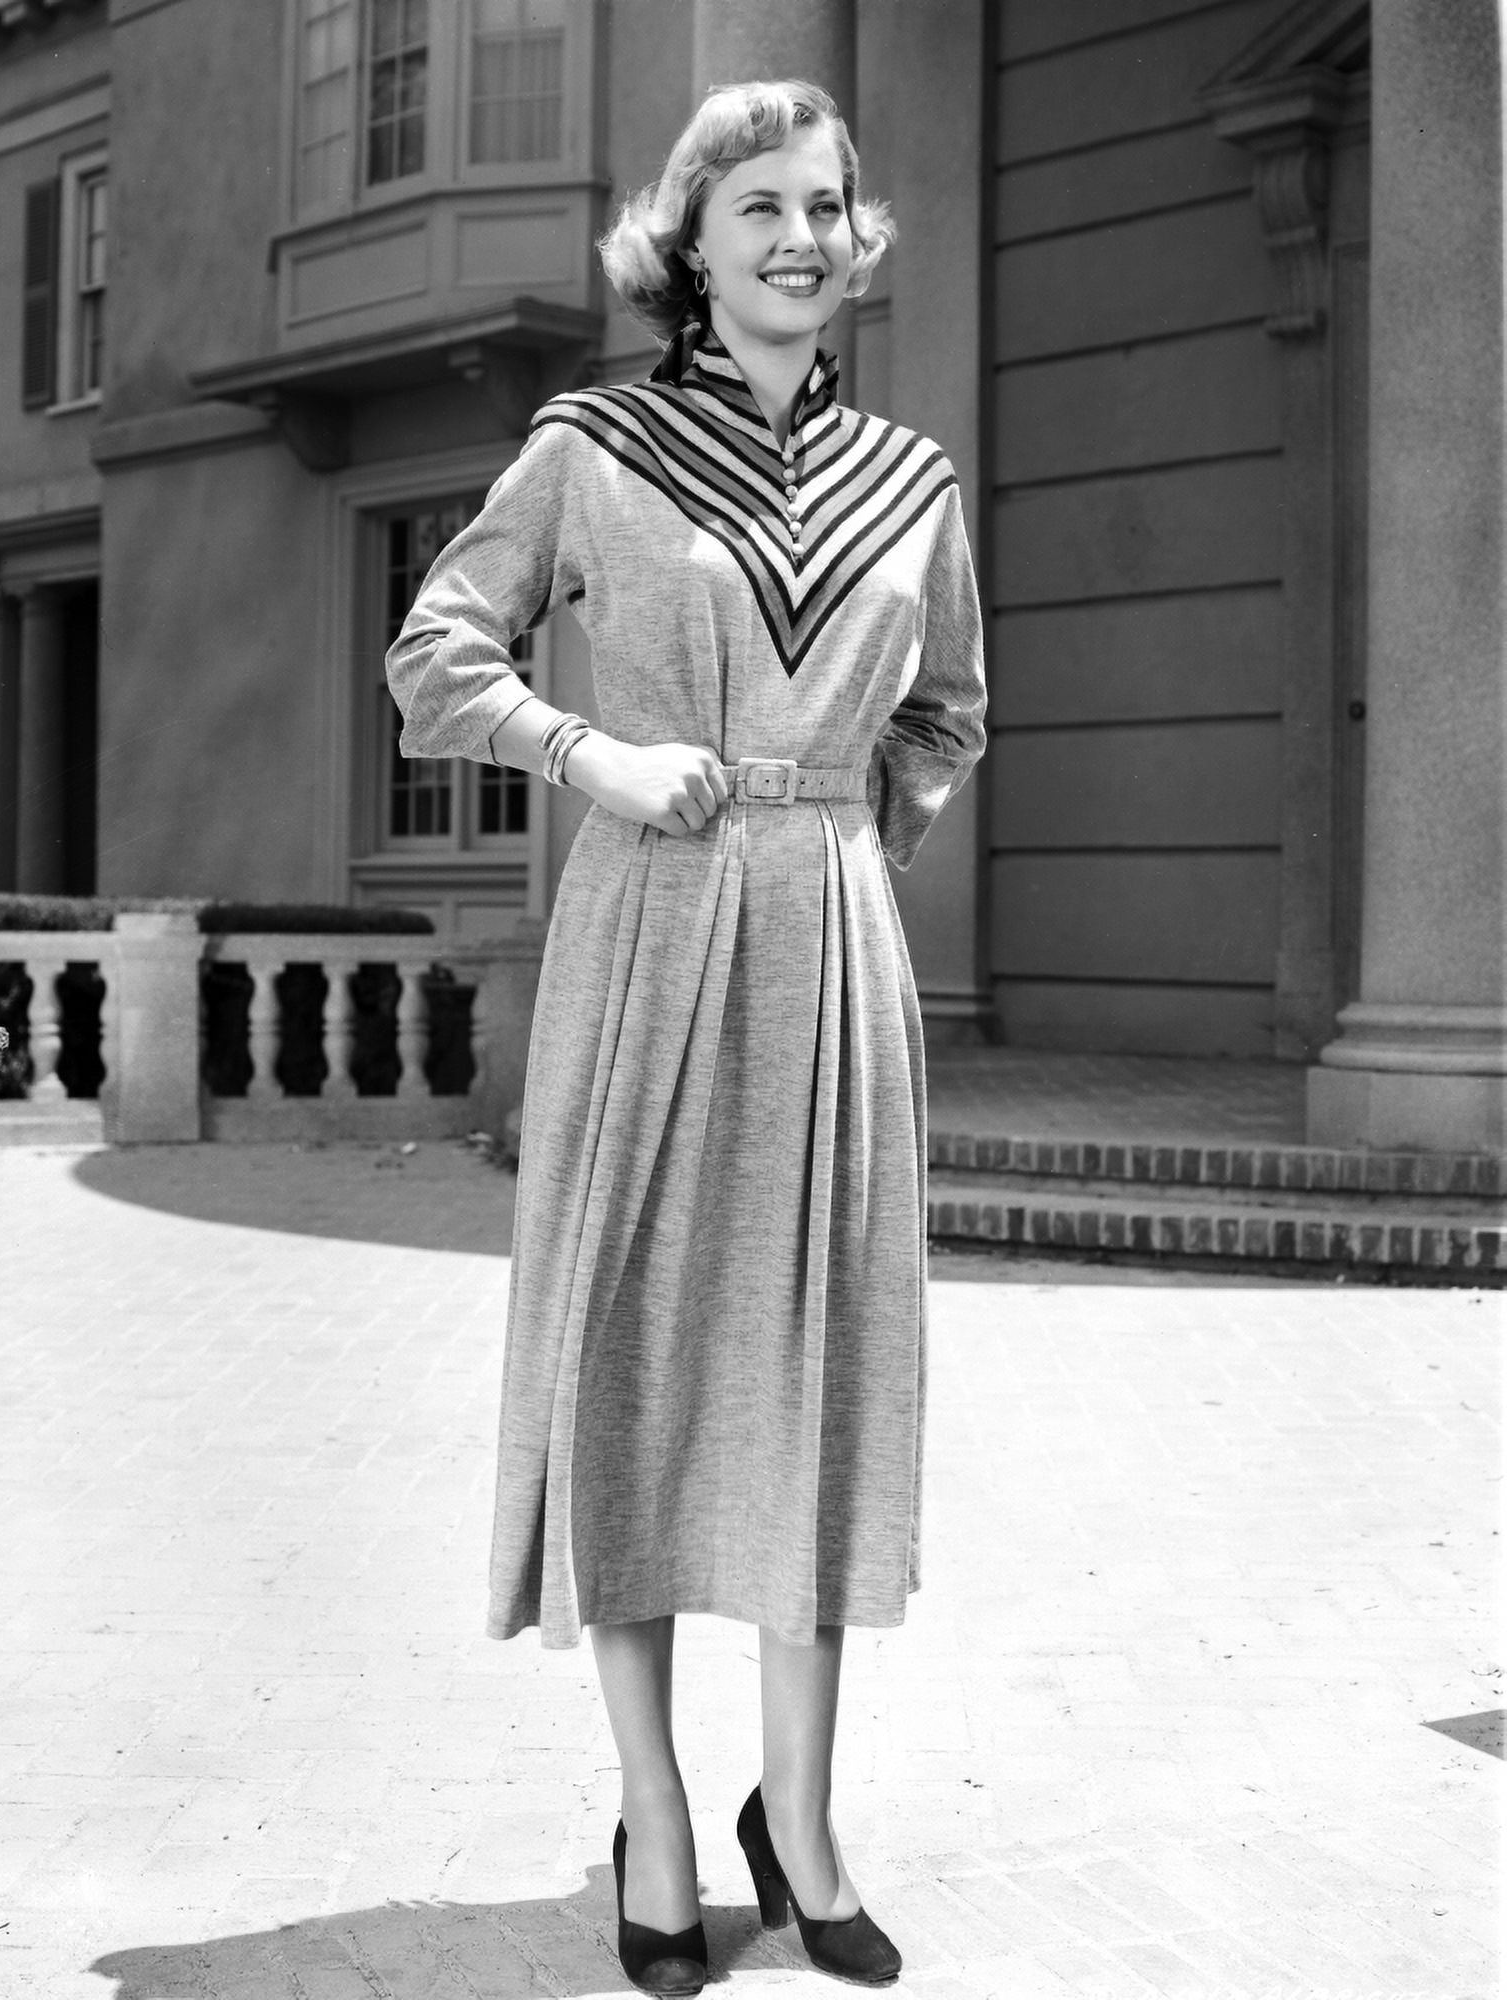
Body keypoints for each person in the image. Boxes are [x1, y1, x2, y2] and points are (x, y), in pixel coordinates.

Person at [387, 78, 986, 1995]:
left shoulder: (918, 481)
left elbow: (949, 718)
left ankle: (796, 1819)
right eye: (761, 208)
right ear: (692, 242)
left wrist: (834, 847)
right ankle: (655, 1805)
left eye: (828, 204)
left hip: (829, 956)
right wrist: (596, 759)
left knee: (812, 1372)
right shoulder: (596, 445)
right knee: (635, 1370)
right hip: (645, 931)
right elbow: (436, 658)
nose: (803, 235)